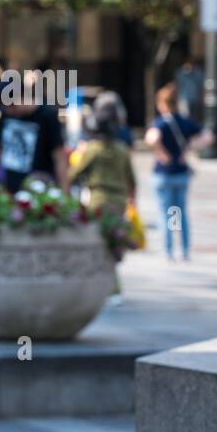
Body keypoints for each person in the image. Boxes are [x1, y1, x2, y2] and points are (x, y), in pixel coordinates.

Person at [65, 97, 135, 302]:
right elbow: (132, 179)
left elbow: (74, 173)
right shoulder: (122, 149)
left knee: (99, 243)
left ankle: (108, 287)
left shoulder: (92, 150)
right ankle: (112, 287)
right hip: (119, 200)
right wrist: (133, 202)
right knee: (112, 242)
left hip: (98, 199)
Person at [145, 82, 215, 261]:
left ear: (162, 103)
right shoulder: (185, 121)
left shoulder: (160, 122)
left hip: (163, 173)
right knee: (179, 211)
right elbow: (209, 137)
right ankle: (184, 250)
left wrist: (162, 153)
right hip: (181, 173)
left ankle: (168, 250)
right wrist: (189, 148)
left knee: (166, 212)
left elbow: (151, 138)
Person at [0, 91, 67, 192]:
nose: (8, 111)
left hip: (37, 189)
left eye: (10, 106)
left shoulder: (48, 116)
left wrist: (65, 191)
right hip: (9, 186)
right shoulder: (6, 115)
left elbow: (59, 156)